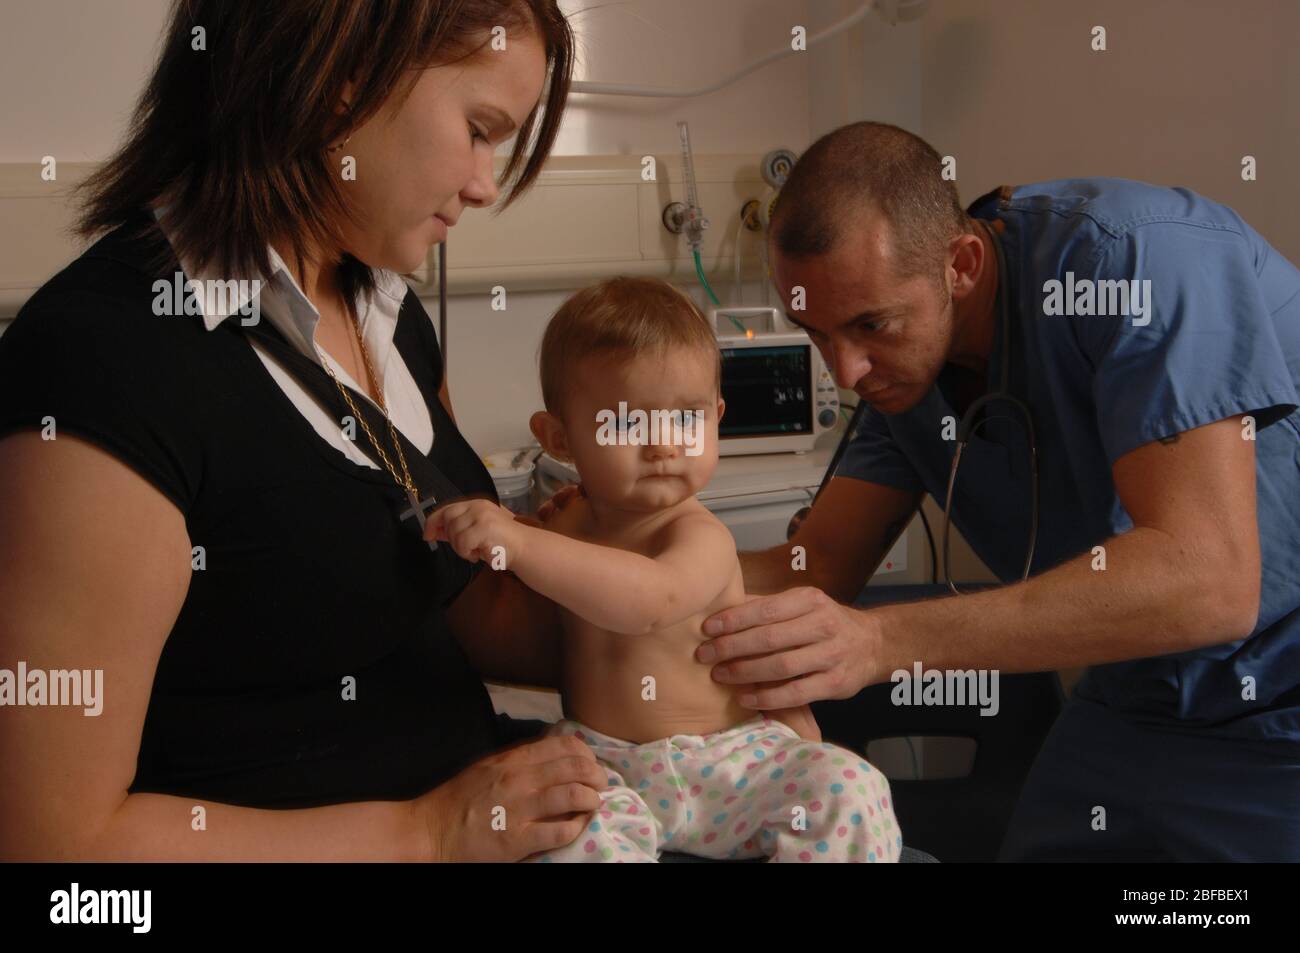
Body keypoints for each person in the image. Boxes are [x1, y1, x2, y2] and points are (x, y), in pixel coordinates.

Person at [0, 0, 607, 863]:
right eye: (479, 129)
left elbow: (466, 609)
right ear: (341, 83)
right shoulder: (105, 360)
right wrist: (427, 832)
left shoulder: (387, 316)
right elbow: (52, 847)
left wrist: (693, 623)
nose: (484, 184)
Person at [692, 121, 1300, 861]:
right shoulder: (906, 378)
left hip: (1282, 702)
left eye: (869, 324)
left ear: (962, 263)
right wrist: (621, 556)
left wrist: (883, 641)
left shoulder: (1133, 263)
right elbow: (813, 566)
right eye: (815, 332)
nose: (845, 370)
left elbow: (1208, 580)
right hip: (1139, 696)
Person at [428, 276, 899, 862]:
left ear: (717, 417)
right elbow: (543, 575)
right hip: (604, 763)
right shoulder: (569, 521)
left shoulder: (698, 535)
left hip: (730, 759)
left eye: (686, 419)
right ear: (560, 438)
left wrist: (523, 545)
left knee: (851, 788)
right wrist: (495, 525)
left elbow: (649, 601)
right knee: (555, 833)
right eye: (624, 424)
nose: (662, 446)